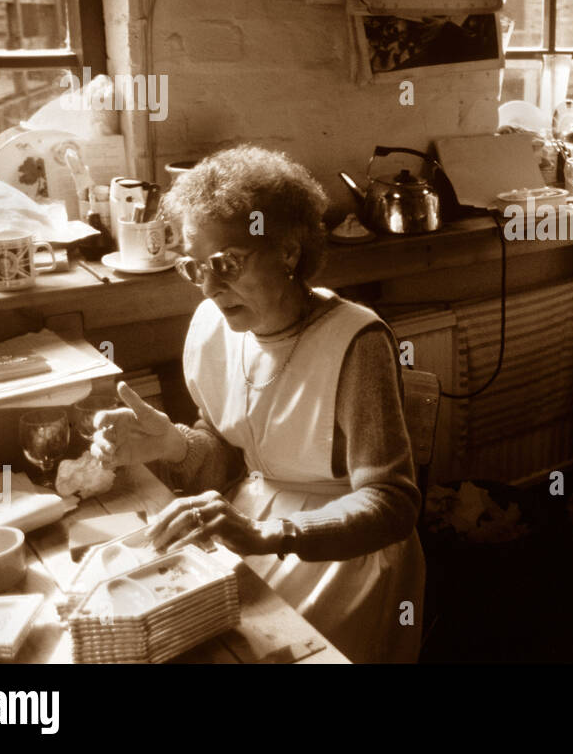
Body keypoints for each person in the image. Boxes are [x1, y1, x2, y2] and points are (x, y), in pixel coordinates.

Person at [92, 146, 423, 663]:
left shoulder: (356, 342)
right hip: (255, 523)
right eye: (193, 267)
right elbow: (228, 452)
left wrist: (271, 534)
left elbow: (393, 504)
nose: (208, 287)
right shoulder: (213, 327)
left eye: (225, 264)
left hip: (340, 550)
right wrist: (174, 444)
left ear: (289, 252)